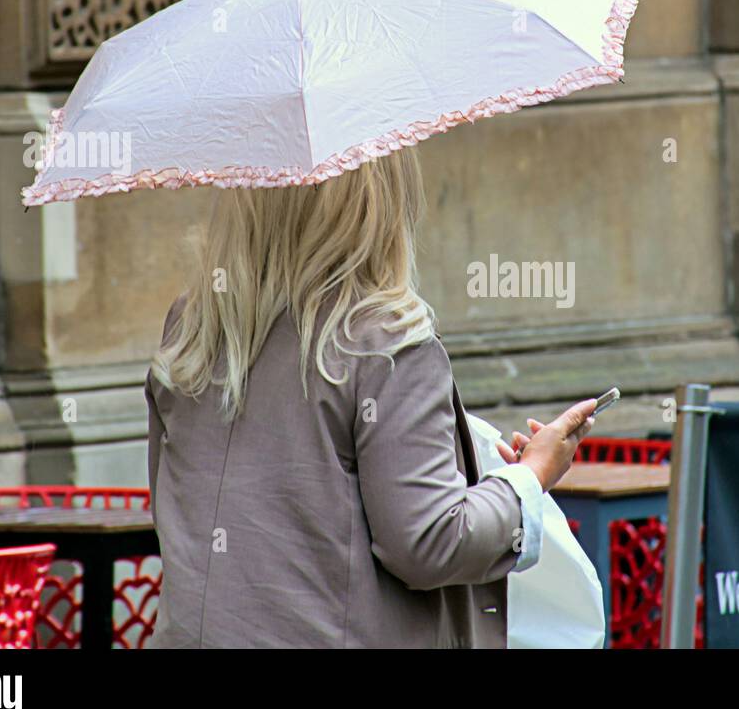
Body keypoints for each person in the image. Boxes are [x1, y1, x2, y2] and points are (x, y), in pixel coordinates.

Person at [143, 148, 596, 647]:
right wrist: (529, 479)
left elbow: (179, 510)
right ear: (379, 200)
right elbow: (429, 542)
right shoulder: (386, 341)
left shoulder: (192, 329)